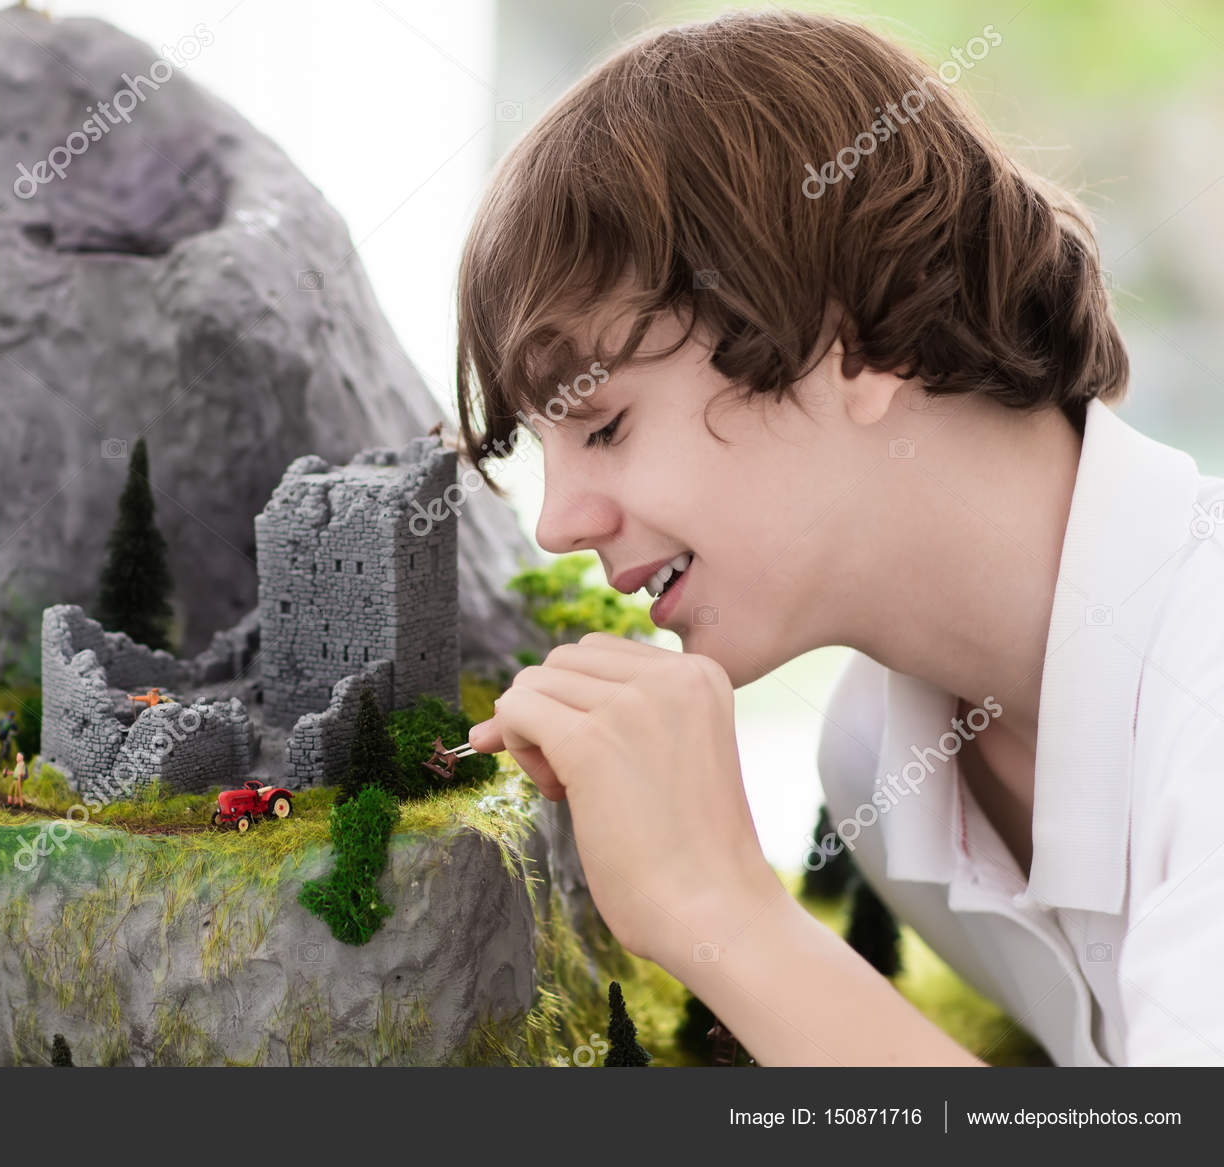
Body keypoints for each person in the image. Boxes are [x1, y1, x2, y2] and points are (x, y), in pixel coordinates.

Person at [457, 12, 1224, 1066]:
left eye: (605, 424)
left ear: (851, 341)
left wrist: (718, 907)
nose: (556, 526)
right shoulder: (879, 765)